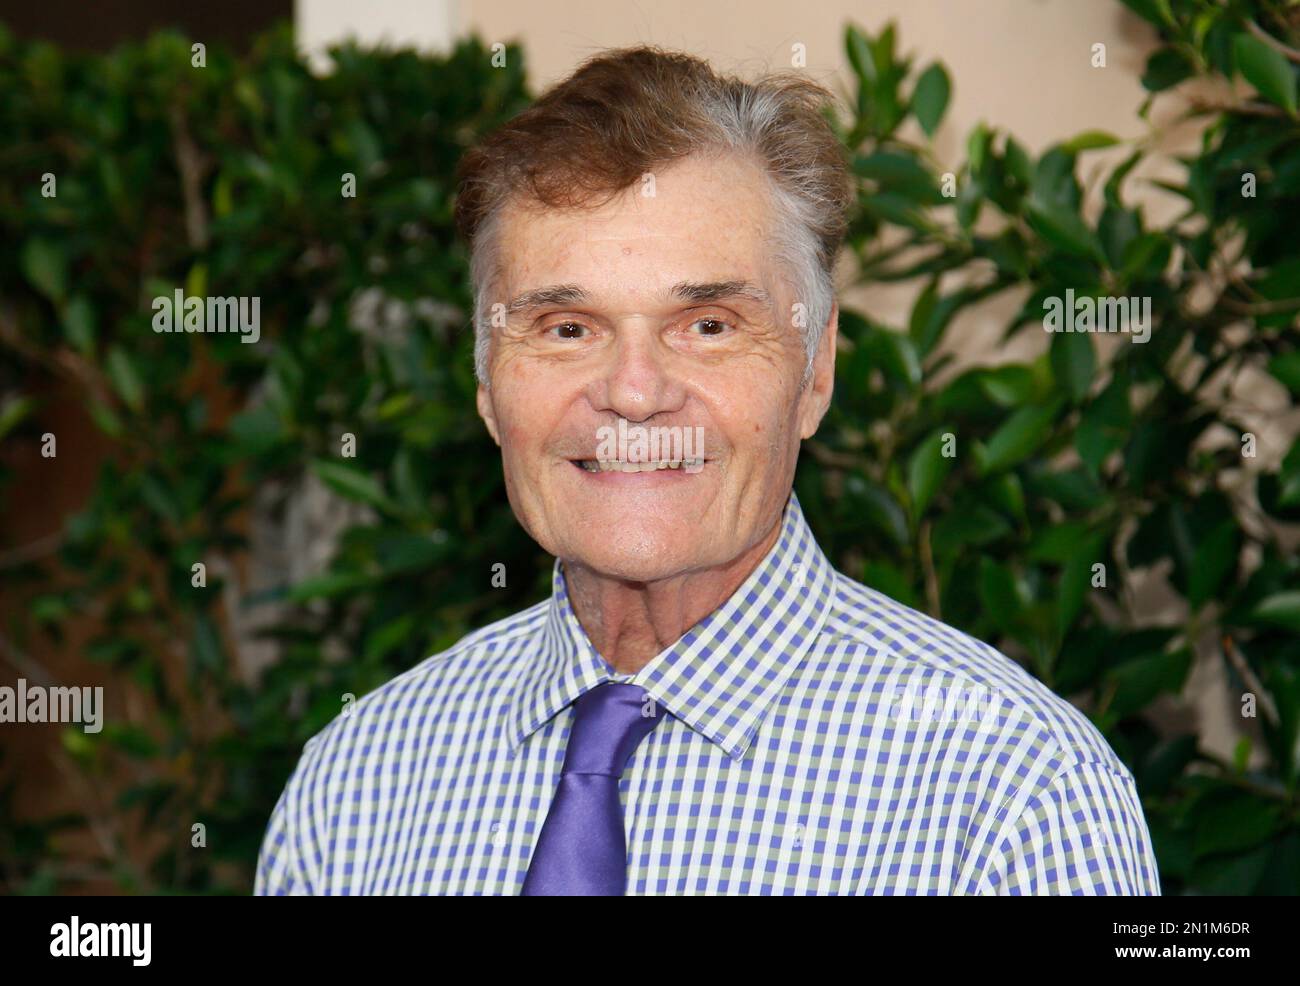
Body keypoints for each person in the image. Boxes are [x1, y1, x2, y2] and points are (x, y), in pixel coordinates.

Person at [255, 46, 1160, 895]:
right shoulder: (355, 786)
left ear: (817, 370)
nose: (636, 394)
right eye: (567, 329)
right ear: (487, 384)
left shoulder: (1014, 801)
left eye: (709, 325)